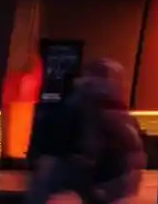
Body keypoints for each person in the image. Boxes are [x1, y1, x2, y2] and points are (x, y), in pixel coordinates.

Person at [27, 58, 143, 204]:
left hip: (87, 186)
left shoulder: (73, 108)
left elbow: (49, 158)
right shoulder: (118, 114)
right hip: (95, 186)